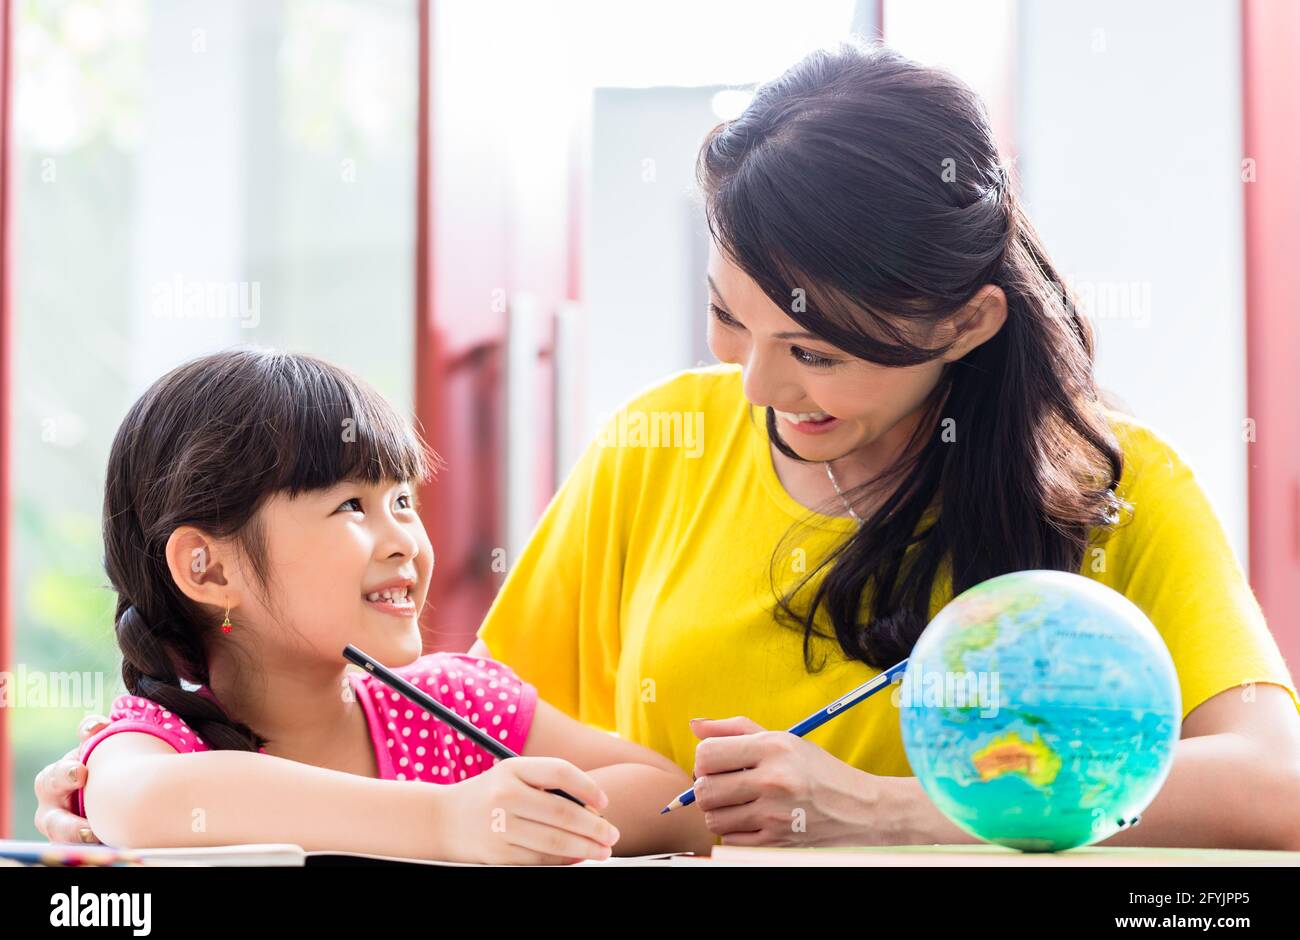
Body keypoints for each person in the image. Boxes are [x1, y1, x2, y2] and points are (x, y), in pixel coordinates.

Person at [37, 42, 1300, 852]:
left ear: (963, 323)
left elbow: (1270, 788)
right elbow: (473, 745)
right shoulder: (659, 445)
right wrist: (173, 786)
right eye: (729, 317)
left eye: (817, 350)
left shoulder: (1106, 486)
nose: (754, 381)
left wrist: (904, 812)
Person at [31, 347, 712, 862]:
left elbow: (673, 798)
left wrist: (542, 819)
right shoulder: (156, 741)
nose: (403, 542)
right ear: (207, 569)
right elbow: (149, 803)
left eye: (404, 502)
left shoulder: (452, 706)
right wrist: (449, 822)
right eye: (351, 505)